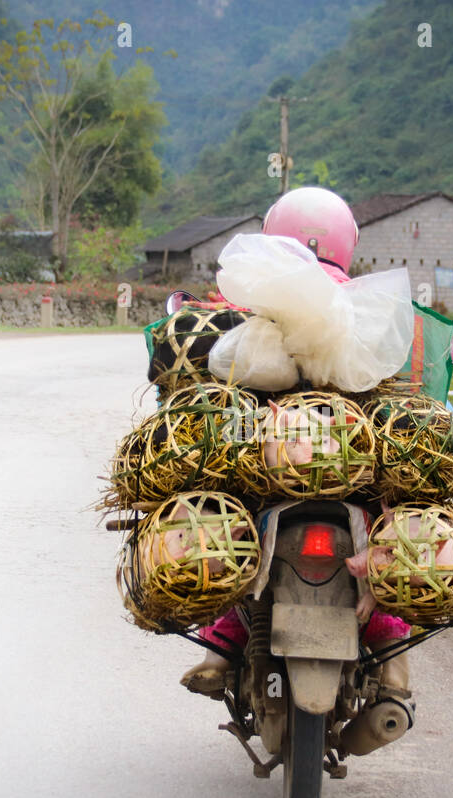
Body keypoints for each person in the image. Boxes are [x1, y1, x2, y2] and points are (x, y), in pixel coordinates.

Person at [175, 186, 412, 702]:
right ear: (345, 243)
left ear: (272, 237)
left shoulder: (255, 298)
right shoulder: (367, 308)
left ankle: (220, 651)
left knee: (233, 526)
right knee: (386, 537)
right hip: (352, 464)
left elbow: (221, 371)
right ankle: (395, 660)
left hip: (269, 461)